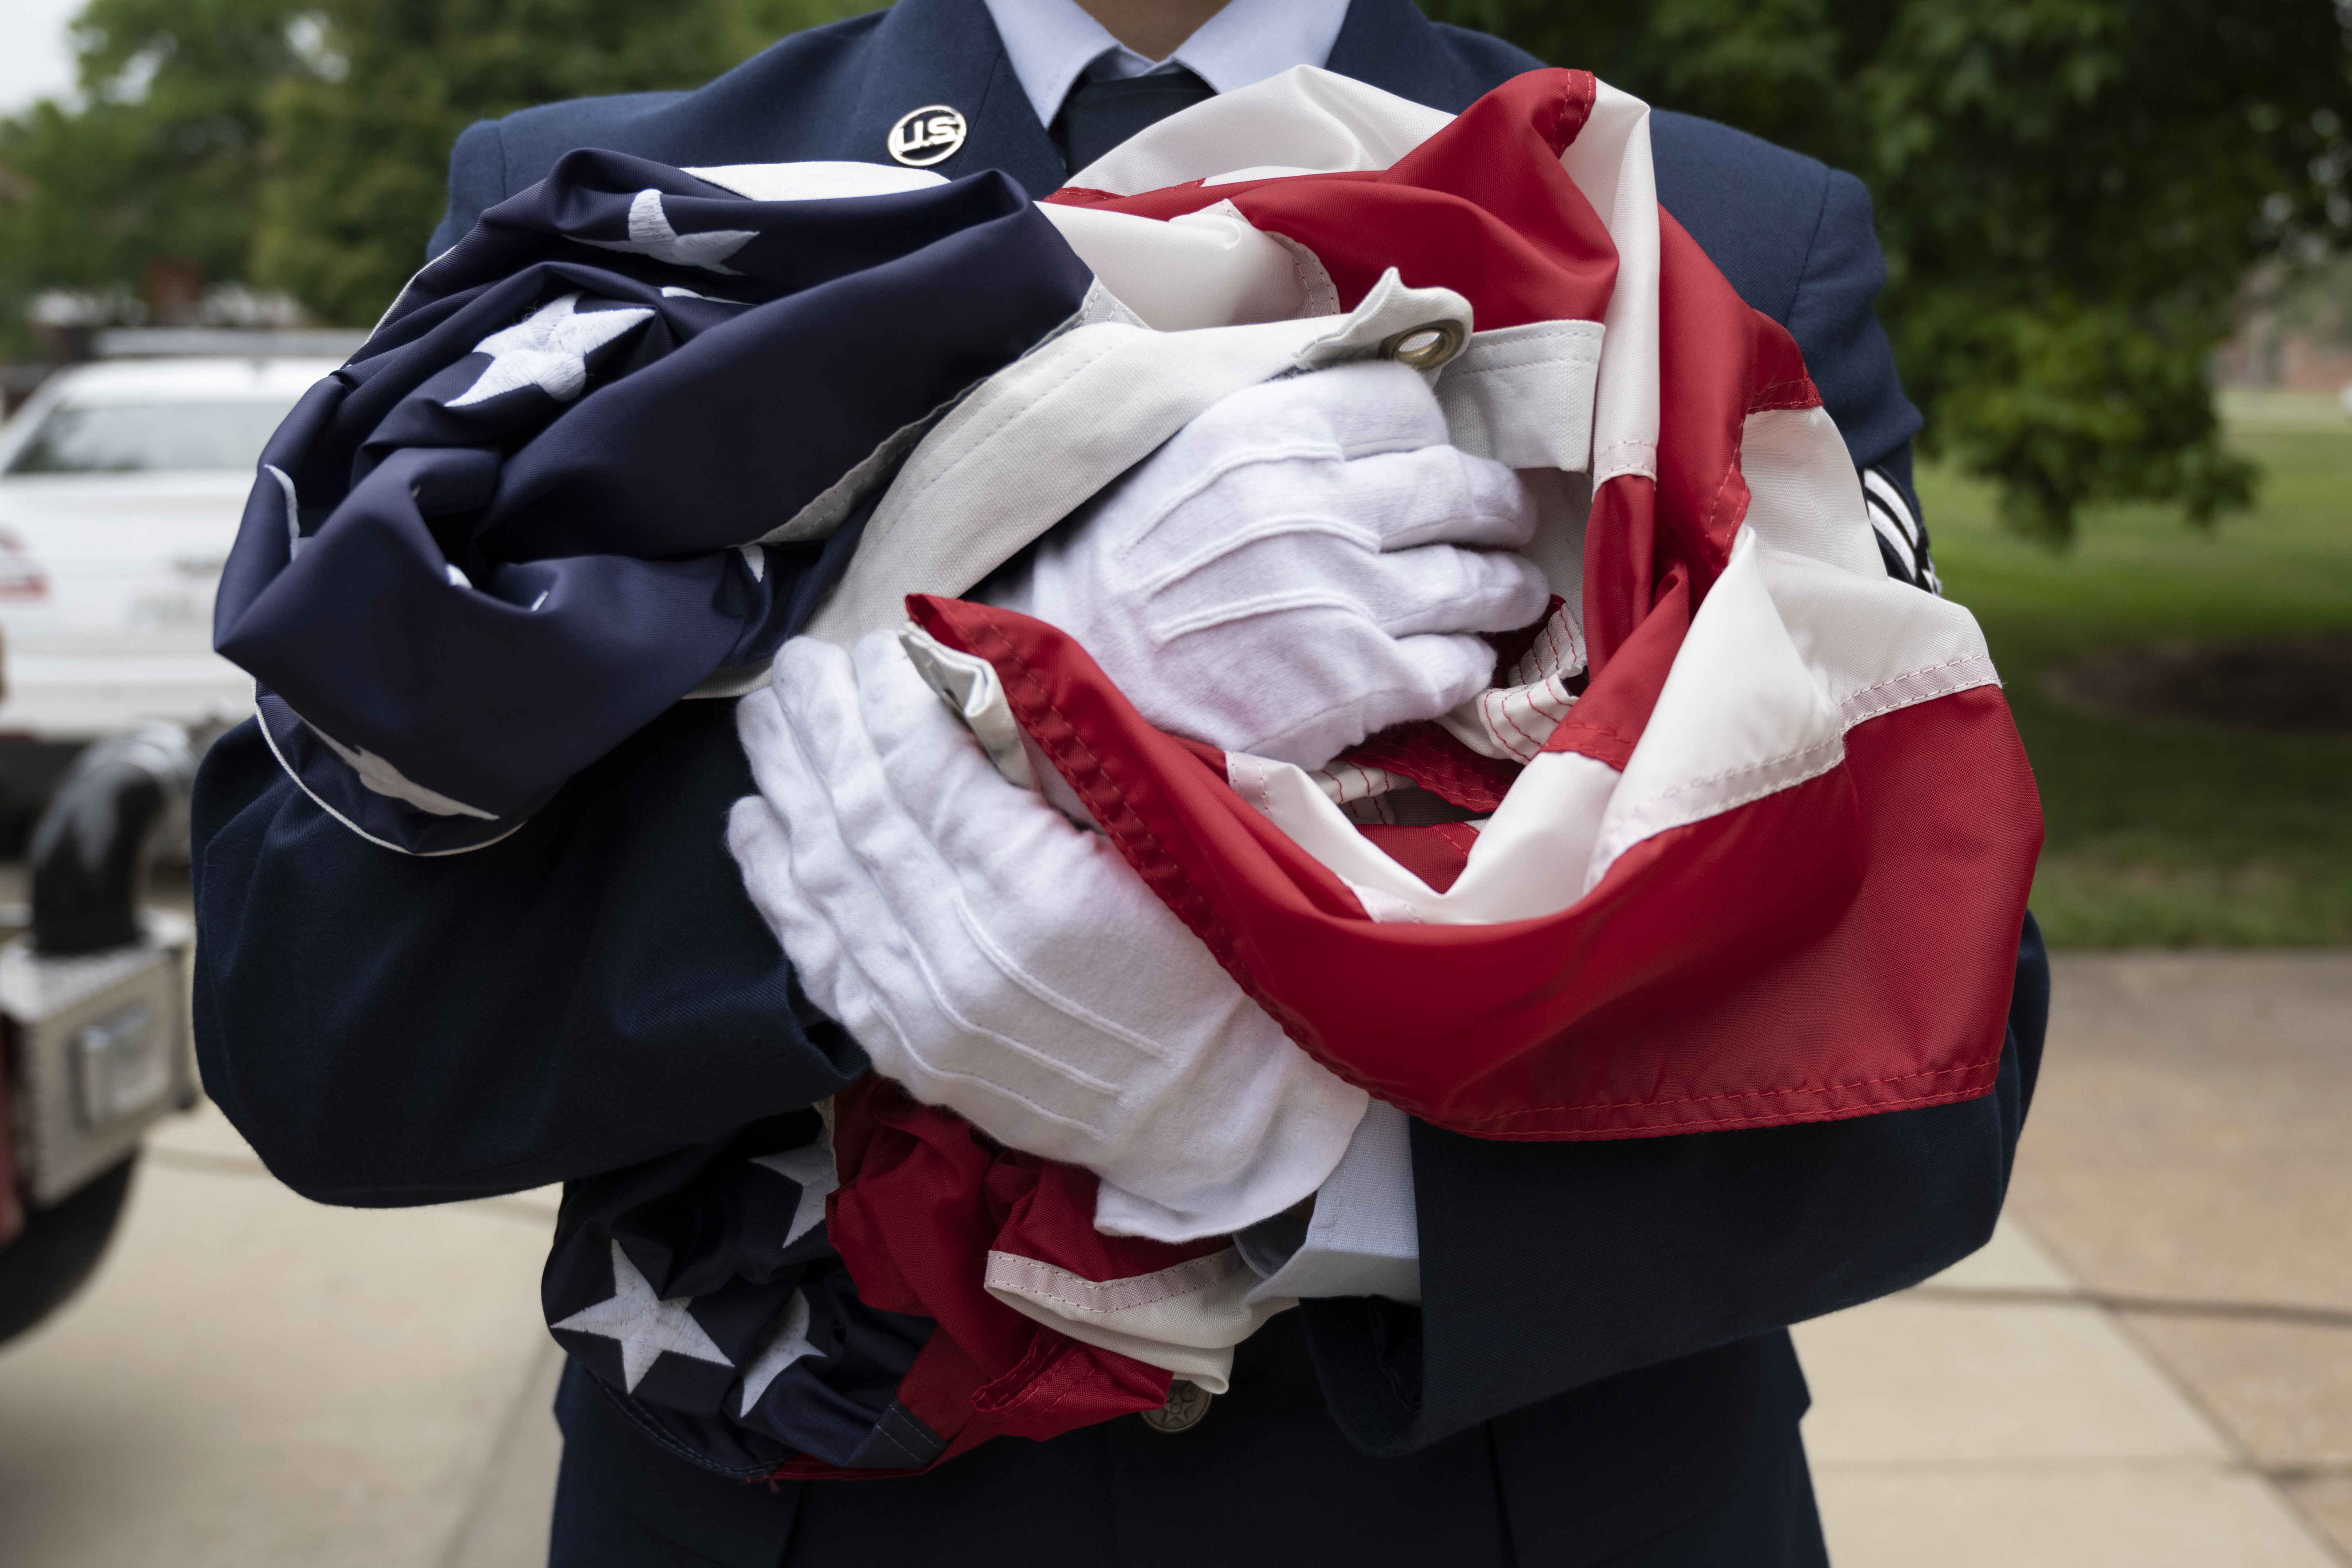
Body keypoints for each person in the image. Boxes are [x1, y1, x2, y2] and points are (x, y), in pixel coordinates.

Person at [191, 2, 2046, 1564]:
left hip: (1528, 1502)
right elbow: (320, 1017)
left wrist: (1297, 1174)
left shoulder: (1701, 216)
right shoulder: (600, 210)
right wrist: (901, 786)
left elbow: (1931, 1073)